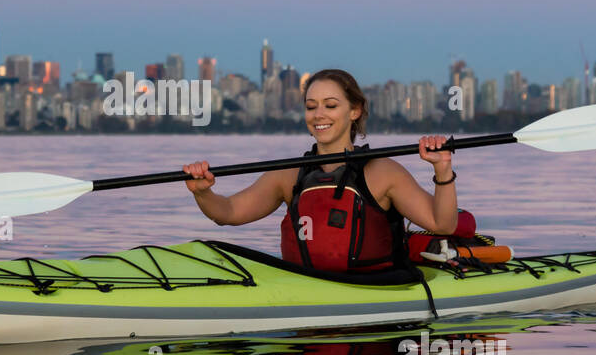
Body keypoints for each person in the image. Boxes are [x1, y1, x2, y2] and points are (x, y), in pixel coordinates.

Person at [183, 68, 458, 273]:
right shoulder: (289, 174)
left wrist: (442, 169)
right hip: (305, 288)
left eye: (331, 105)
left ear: (355, 111)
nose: (318, 115)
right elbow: (228, 213)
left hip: (377, 292)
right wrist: (204, 193)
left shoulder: (384, 173)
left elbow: (443, 224)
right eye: (311, 106)